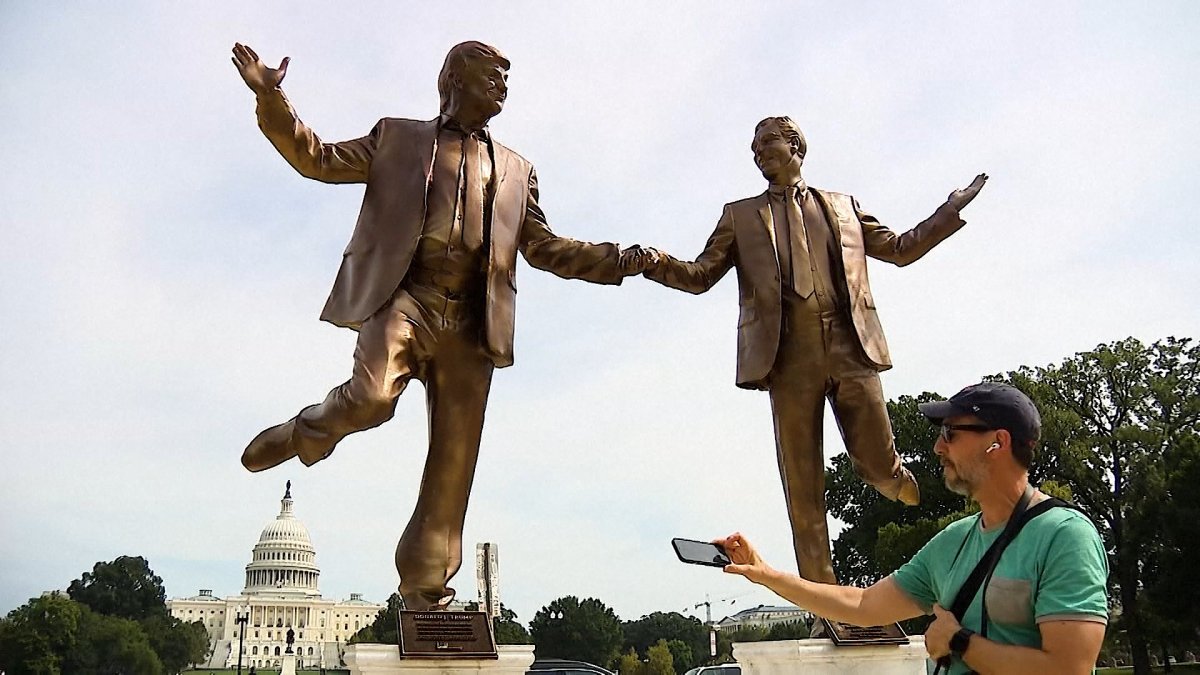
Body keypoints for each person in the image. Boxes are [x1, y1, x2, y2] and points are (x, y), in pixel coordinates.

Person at [230, 41, 649, 611]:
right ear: (454, 78)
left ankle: (426, 588)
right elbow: (318, 158)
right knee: (371, 399)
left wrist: (618, 260)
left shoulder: (518, 170)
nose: (503, 85)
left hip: (471, 326)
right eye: (493, 75)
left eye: (507, 77)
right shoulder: (397, 138)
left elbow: (545, 247)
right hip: (406, 300)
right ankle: (305, 432)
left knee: (453, 462)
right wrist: (273, 97)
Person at [642, 115, 987, 586]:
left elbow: (900, 249)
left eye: (767, 142)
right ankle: (823, 595)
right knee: (803, 489)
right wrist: (656, 262)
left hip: (850, 348)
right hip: (787, 360)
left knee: (878, 467)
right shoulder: (740, 216)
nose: (758, 151)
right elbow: (701, 276)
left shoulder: (842, 206)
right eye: (753, 146)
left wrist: (948, 212)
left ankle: (899, 480)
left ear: (795, 147)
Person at [719, 382, 1109, 674]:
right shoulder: (955, 540)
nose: (939, 448)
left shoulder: (1066, 536)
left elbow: (1068, 669)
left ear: (997, 442)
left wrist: (959, 643)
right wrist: (765, 574)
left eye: (950, 433)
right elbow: (863, 606)